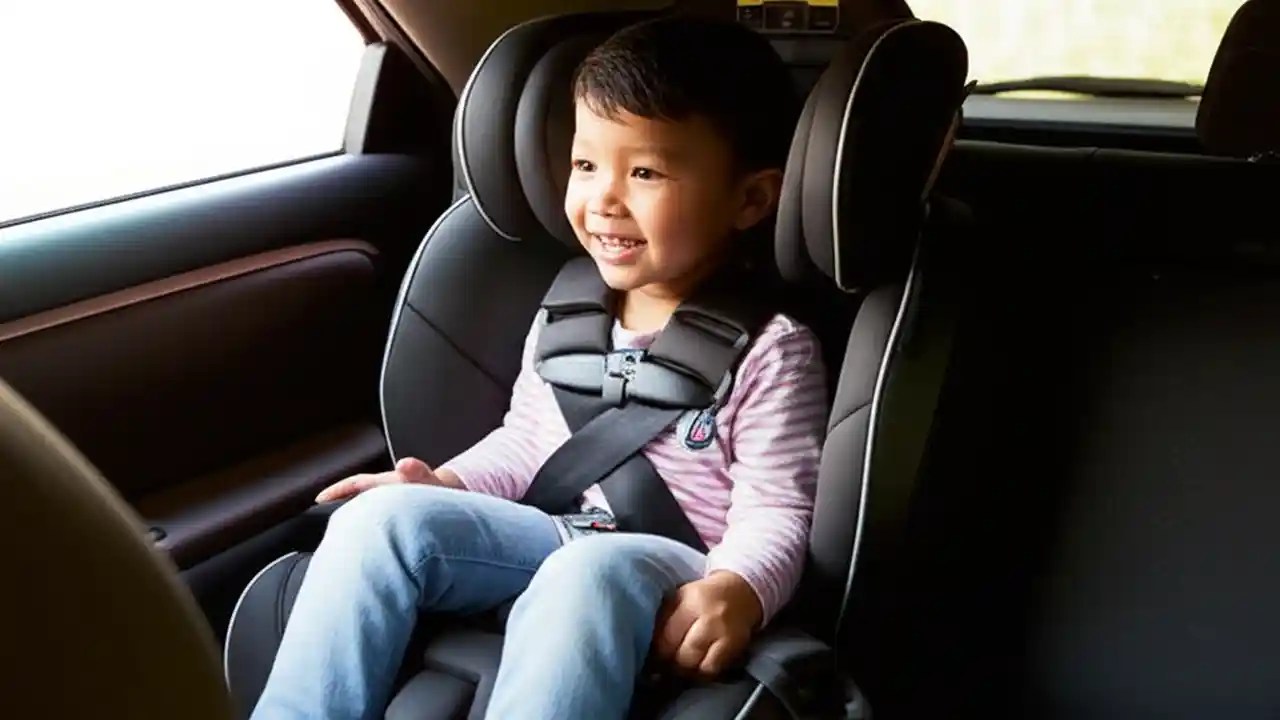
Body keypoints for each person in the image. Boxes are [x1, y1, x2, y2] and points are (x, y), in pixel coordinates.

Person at [250, 15, 827, 720]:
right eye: (587, 165)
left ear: (750, 199)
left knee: (586, 570)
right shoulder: (568, 312)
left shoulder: (773, 348)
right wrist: (447, 483)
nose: (604, 198)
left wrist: (738, 587)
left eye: (644, 172)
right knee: (384, 519)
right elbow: (528, 443)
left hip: (679, 566)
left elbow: (777, 507)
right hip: (560, 536)